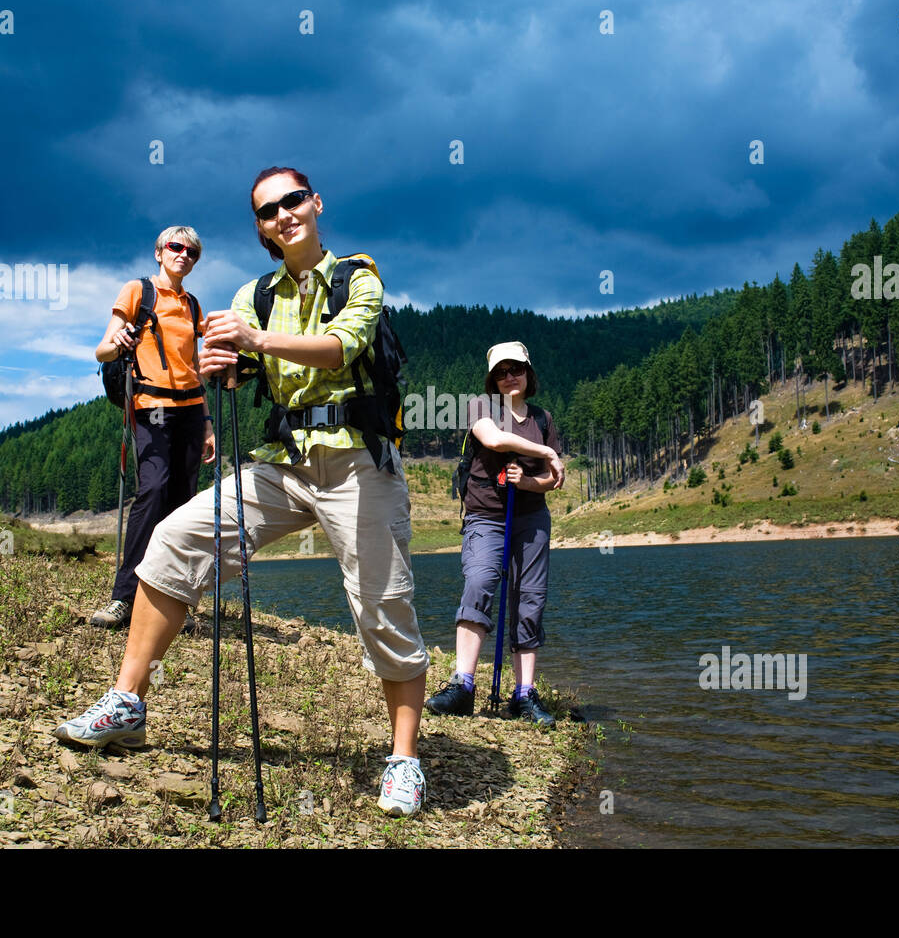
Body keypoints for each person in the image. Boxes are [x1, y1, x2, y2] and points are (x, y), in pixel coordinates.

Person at [55, 168, 430, 817]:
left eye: (292, 200)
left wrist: (254, 340)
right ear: (260, 227)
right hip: (283, 461)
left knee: (381, 604)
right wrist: (223, 364)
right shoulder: (252, 293)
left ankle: (403, 760)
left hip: (358, 461)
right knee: (173, 539)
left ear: (314, 204)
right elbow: (238, 372)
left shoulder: (356, 276)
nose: (282, 214)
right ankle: (127, 703)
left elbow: (343, 348)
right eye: (267, 210)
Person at [425, 342, 565, 726]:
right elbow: (493, 440)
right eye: (501, 372)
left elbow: (553, 481)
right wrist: (546, 453)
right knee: (480, 581)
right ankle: (463, 686)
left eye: (515, 369)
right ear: (493, 379)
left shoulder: (543, 418)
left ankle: (524, 695)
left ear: (528, 372)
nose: (509, 377)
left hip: (531, 518)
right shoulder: (481, 408)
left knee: (529, 600)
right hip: (486, 516)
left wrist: (529, 481)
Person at [90, 227, 213, 632]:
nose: (184, 255)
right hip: (151, 408)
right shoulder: (138, 291)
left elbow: (195, 368)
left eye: (192, 251)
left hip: (192, 411)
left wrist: (208, 423)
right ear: (159, 253)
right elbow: (102, 349)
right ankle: (124, 598)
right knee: (154, 490)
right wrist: (120, 341)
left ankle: (175, 599)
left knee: (183, 503)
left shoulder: (192, 304)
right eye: (176, 248)